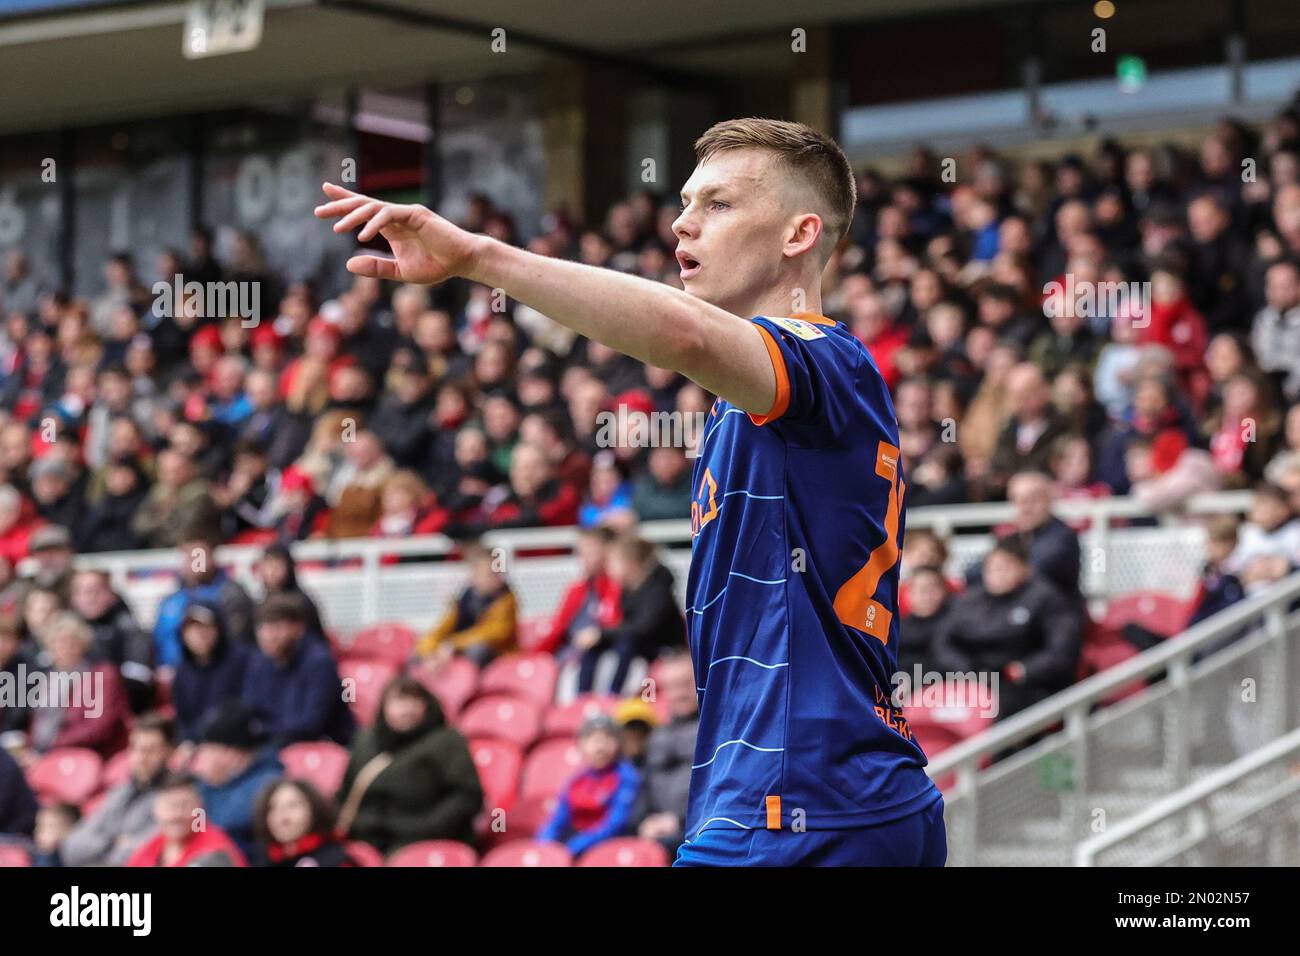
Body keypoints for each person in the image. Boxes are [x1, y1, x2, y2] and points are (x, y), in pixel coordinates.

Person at [317, 117, 946, 867]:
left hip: (803, 799)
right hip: (818, 795)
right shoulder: (746, 407)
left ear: (798, 234)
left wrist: (479, 257)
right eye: (685, 201)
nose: (683, 220)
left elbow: (683, 335)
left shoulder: (822, 357)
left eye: (718, 204)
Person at [931, 538, 1082, 720]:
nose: (997, 573)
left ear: (1025, 569)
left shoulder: (1047, 599)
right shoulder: (968, 600)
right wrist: (963, 669)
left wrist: (1025, 669)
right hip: (972, 679)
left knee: (995, 708)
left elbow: (1061, 651)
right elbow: (942, 641)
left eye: (1005, 567)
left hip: (1024, 686)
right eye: (991, 567)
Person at [337, 674, 482, 854]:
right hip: (364, 836)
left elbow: (467, 796)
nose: (407, 710)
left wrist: (427, 828)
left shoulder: (446, 742)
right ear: (384, 707)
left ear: (427, 705)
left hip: (420, 839)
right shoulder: (366, 740)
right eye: (398, 702)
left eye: (414, 701)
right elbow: (345, 791)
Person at [61, 713, 177, 866]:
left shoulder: (176, 797)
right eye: (135, 748)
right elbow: (72, 845)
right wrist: (112, 843)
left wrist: (104, 850)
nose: (141, 757)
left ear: (168, 752)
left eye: (150, 749)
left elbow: (147, 853)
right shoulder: (119, 792)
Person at [576, 532, 685, 695]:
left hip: (664, 649)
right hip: (639, 643)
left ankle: (614, 694)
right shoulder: (628, 589)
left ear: (630, 565)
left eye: (612, 563)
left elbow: (643, 627)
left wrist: (601, 634)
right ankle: (583, 697)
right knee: (594, 646)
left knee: (625, 643)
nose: (609, 570)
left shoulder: (657, 590)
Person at [242, 594, 354, 746]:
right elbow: (250, 710)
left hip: (320, 746)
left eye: (276, 627)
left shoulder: (319, 663)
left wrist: (261, 729)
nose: (268, 636)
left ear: (298, 628)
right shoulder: (259, 661)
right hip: (271, 742)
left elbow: (310, 726)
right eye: (263, 628)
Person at [27, 611, 131, 759]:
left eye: (71, 643)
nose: (64, 649)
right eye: (56, 644)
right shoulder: (49, 679)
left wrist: (54, 745)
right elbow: (38, 723)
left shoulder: (103, 676)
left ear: (83, 645)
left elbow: (99, 729)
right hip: (46, 754)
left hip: (89, 756)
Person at [191, 703, 285, 860]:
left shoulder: (268, 782)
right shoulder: (209, 782)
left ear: (231, 752)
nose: (200, 756)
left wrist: (209, 787)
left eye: (208, 749)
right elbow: (195, 826)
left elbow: (223, 827)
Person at [538, 714, 640, 857]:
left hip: (607, 849)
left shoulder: (626, 776)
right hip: (573, 845)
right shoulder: (576, 780)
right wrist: (544, 846)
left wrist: (573, 848)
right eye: (594, 740)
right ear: (582, 746)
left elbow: (616, 824)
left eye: (608, 739)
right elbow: (557, 820)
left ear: (618, 744)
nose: (600, 747)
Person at [152, 534, 256, 670]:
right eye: (188, 557)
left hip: (219, 669)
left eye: (198, 556)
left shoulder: (230, 593)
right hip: (170, 673)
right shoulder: (171, 600)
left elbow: (236, 638)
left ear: (212, 558)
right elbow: (158, 639)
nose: (194, 562)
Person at [633, 652, 699, 854]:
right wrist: (643, 821)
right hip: (658, 828)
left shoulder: (716, 731)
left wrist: (678, 819)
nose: (679, 693)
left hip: (699, 827)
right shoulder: (657, 736)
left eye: (686, 684)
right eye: (672, 687)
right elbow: (645, 784)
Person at [415, 540, 517, 668]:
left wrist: (452, 644)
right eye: (492, 574)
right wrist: (429, 649)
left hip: (498, 656)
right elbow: (441, 628)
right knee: (418, 652)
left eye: (501, 572)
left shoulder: (506, 599)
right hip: (459, 646)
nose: (499, 577)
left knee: (478, 650)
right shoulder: (463, 599)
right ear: (474, 575)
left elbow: (493, 634)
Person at [127, 772, 247, 867]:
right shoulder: (147, 851)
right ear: (155, 810)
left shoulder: (217, 852)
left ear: (199, 807)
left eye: (185, 805)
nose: (177, 815)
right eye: (170, 806)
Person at [172, 601, 252, 744]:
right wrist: (188, 741)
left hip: (235, 741)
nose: (199, 635)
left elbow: (245, 707)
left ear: (219, 629)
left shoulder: (242, 660)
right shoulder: (183, 671)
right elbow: (182, 719)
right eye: (191, 629)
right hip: (198, 744)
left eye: (205, 628)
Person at [253, 778, 357, 867]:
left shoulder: (336, 859)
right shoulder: (263, 859)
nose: (282, 815)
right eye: (272, 808)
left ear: (314, 810)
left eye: (292, 805)